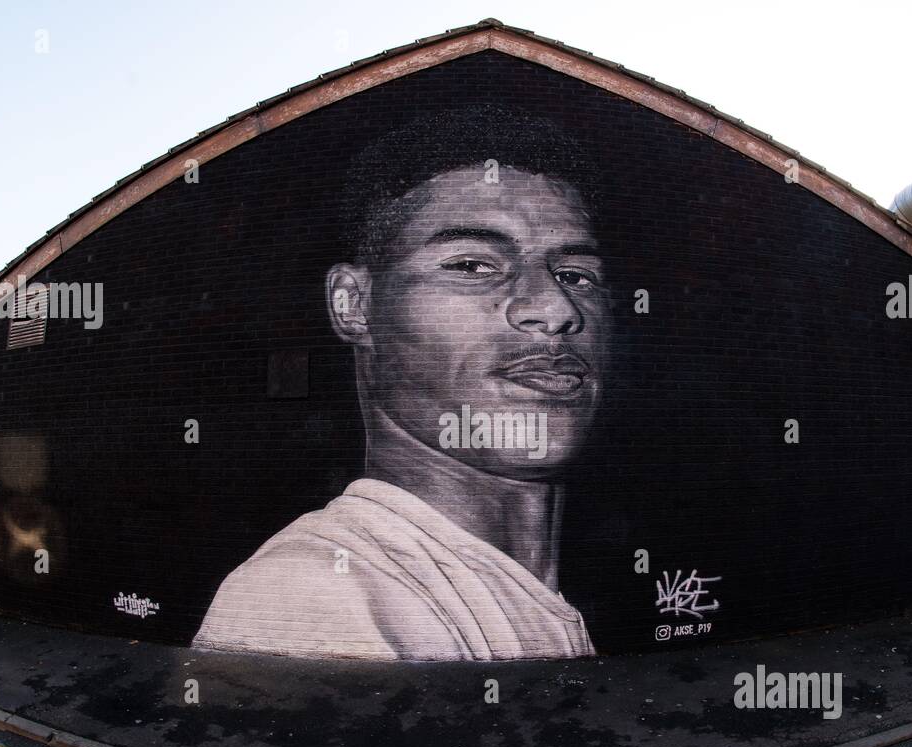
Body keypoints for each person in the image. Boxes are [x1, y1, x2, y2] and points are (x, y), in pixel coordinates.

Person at [194, 106, 613, 661]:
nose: (554, 308)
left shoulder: (560, 591)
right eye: (472, 265)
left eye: (576, 275)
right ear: (355, 305)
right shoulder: (313, 598)